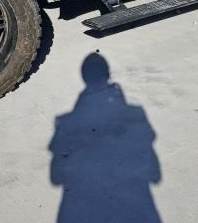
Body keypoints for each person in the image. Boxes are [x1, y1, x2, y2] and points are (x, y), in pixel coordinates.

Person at [49, 53, 161, 223]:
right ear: (107, 74)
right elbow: (155, 176)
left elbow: (55, 179)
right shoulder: (136, 112)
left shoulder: (64, 122)